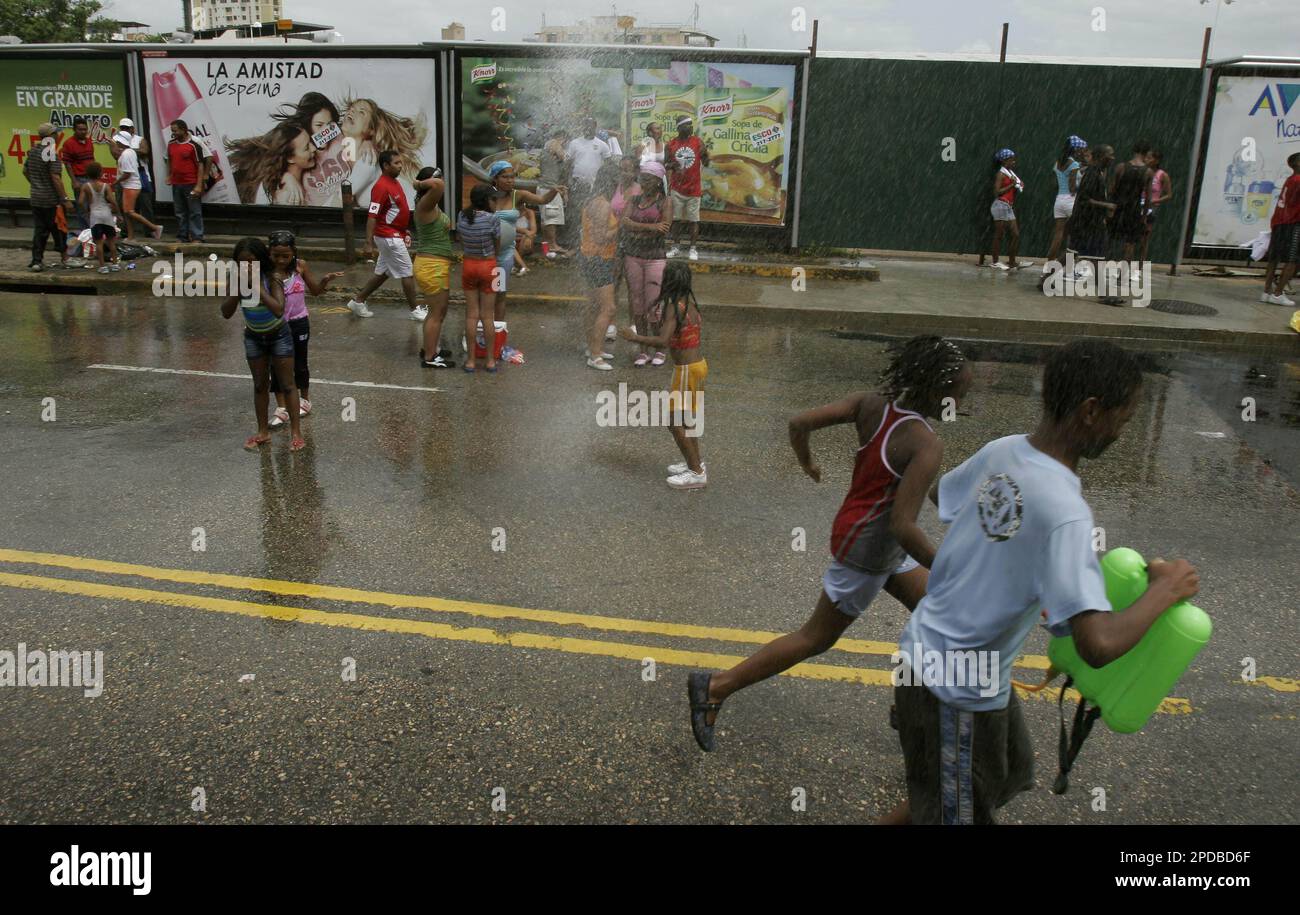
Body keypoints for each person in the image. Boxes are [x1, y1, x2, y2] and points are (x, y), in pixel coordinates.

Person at [881, 340, 1199, 825]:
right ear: (1092, 411)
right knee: (959, 807)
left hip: (958, 667)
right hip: (952, 686)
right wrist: (1167, 588)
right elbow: (1098, 644)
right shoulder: (1066, 513)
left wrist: (1029, 574)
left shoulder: (1003, 450)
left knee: (991, 780)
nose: (1122, 430)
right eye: (1124, 418)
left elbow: (946, 497)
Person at [688, 336, 972, 752]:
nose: (959, 405)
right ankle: (715, 686)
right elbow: (903, 525)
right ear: (935, 389)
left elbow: (798, 423)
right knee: (816, 637)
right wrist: (955, 567)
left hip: (864, 536)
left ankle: (909, 702)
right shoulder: (925, 443)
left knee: (939, 612)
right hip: (869, 553)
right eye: (957, 395)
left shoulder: (871, 403)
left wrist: (807, 461)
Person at [618, 261, 709, 489]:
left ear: (668, 281)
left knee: (674, 422)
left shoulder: (673, 307)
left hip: (687, 371)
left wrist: (633, 337)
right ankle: (695, 462)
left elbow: (663, 341)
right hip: (695, 367)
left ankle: (696, 472)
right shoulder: (688, 303)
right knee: (685, 420)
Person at [219, 237, 304, 453]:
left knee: (287, 384)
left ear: (261, 261)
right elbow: (226, 312)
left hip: (279, 335)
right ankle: (262, 432)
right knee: (259, 385)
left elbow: (278, 309)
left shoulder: (272, 277)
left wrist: (257, 287)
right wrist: (239, 288)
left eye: (251, 261)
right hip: (254, 337)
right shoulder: (235, 278)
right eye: (242, 262)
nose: (247, 266)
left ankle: (296, 433)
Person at [267, 230, 344, 430]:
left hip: (299, 322)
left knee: (299, 363)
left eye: (286, 256)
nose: (282, 260)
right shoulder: (266, 272)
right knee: (276, 365)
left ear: (294, 253)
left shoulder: (300, 267)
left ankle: (305, 401)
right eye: (277, 256)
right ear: (269, 253)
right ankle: (281, 407)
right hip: (276, 324)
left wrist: (325, 280)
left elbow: (316, 291)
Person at [345, 150, 423, 320]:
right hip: (388, 237)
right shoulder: (381, 187)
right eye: (396, 163)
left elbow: (396, 211)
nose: (400, 166)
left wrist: (404, 230)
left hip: (394, 234)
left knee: (383, 273)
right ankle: (415, 310)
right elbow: (372, 216)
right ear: (386, 166)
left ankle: (358, 301)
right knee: (407, 273)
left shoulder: (395, 182)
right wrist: (368, 242)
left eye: (401, 163)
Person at [486, 160, 563, 325]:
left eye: (512, 177)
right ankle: (478, 333)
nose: (510, 180)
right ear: (495, 179)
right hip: (487, 255)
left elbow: (541, 200)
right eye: (505, 177)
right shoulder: (487, 196)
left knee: (499, 295)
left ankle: (498, 332)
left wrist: (554, 191)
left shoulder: (518, 195)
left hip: (504, 257)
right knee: (485, 296)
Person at [621, 162, 673, 367]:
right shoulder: (633, 199)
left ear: (658, 182)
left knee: (654, 305)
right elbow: (624, 222)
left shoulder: (665, 202)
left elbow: (665, 228)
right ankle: (643, 350)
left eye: (648, 179)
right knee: (637, 305)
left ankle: (660, 348)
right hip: (633, 256)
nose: (643, 182)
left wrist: (637, 227)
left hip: (655, 258)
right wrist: (650, 226)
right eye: (642, 178)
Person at [411, 166, 456, 368]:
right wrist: (420, 183)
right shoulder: (425, 204)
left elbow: (438, 184)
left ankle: (432, 347)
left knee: (439, 310)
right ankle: (430, 357)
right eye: (438, 178)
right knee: (436, 312)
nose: (441, 181)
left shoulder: (430, 203)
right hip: (431, 267)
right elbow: (439, 184)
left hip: (435, 266)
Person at [456, 182, 502, 373]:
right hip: (488, 265)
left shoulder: (462, 216)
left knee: (471, 315)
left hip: (468, 265)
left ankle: (471, 361)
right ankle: (490, 360)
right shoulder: (492, 219)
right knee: (487, 316)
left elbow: (460, 238)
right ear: (486, 201)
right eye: (493, 199)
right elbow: (497, 243)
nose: (496, 203)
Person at [579, 162, 621, 370]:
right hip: (599, 259)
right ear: (612, 181)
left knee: (593, 306)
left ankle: (592, 347)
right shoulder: (603, 205)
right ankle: (595, 356)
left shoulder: (593, 201)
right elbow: (600, 236)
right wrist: (619, 226)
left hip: (589, 258)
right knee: (608, 307)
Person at [1067, 144, 1119, 304]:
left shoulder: (1097, 173)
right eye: (1110, 155)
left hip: (1086, 222)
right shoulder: (1092, 174)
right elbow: (1085, 199)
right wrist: (1106, 206)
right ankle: (1104, 295)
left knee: (1071, 253)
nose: (1113, 158)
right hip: (1087, 223)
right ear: (1101, 156)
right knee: (1096, 258)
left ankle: (1045, 280)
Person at [23, 123, 70, 272]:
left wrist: (36, 184)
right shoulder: (52, 154)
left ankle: (37, 261)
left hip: (36, 198)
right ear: (50, 136)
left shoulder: (33, 151)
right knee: (60, 228)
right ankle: (65, 258)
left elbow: (25, 171)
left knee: (40, 230)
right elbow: (56, 178)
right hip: (51, 200)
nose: (57, 136)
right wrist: (65, 198)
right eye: (55, 134)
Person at [1042, 136, 1088, 281]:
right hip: (1071, 201)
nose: (1082, 151)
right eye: (1081, 149)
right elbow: (1073, 187)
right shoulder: (1073, 164)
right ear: (1076, 149)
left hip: (1059, 201)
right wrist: (1084, 185)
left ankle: (1048, 268)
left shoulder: (1058, 163)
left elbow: (1056, 184)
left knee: (1058, 236)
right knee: (1073, 237)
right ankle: (1069, 271)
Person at [564, 117, 614, 251]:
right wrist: (566, 183)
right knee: (577, 214)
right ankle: (575, 246)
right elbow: (567, 165)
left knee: (594, 215)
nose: (588, 127)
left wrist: (606, 184)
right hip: (578, 185)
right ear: (582, 126)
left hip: (596, 188)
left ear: (595, 126)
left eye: (590, 125)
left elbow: (609, 166)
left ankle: (591, 243)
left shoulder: (602, 145)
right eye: (585, 125)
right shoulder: (575, 143)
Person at [665, 115, 709, 261]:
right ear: (679, 128)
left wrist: (706, 154)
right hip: (677, 188)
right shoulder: (671, 144)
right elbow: (666, 164)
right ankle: (676, 247)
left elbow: (707, 162)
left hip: (694, 189)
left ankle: (693, 249)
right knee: (676, 220)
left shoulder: (697, 142)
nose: (690, 128)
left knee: (693, 221)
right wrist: (673, 165)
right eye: (687, 125)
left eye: (691, 125)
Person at [1109, 140, 1154, 282]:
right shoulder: (1148, 172)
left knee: (1110, 239)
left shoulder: (1121, 167)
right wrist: (1144, 216)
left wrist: (1110, 208)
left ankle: (1101, 269)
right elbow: (1148, 198)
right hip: (1134, 209)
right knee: (1130, 243)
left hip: (1118, 207)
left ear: (1134, 150)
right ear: (1146, 153)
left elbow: (1112, 189)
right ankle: (1122, 275)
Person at [610, 154, 643, 341]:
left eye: (628, 169)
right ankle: (611, 323)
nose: (624, 173)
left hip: (633, 243)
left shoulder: (639, 191)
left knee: (633, 287)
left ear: (636, 171)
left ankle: (633, 324)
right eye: (621, 169)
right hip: (613, 243)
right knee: (613, 285)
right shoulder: (616, 188)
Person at [1261, 151, 1300, 307]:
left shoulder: (1291, 179)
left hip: (1280, 222)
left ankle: (1267, 291)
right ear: (1297, 164)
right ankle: (1278, 294)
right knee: (1292, 260)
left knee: (1274, 258)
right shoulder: (1298, 180)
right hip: (1293, 223)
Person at [110, 133, 163, 241]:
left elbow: (127, 173)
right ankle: (131, 236)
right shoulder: (129, 152)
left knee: (130, 212)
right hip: (130, 185)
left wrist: (116, 181)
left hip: (131, 185)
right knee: (127, 212)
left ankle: (154, 227)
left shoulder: (126, 154)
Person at [165, 119, 210, 243]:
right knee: (179, 211)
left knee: (194, 211)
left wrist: (198, 185)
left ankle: (197, 236)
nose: (174, 133)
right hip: (176, 183)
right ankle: (182, 235)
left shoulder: (193, 145)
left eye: (176, 130)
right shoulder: (171, 144)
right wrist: (169, 175)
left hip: (190, 183)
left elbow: (200, 164)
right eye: (172, 131)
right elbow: (169, 159)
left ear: (184, 130)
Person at [987, 148, 1030, 270]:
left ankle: (1012, 262)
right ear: (1005, 161)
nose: (1014, 162)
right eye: (1012, 160)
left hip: (1008, 207)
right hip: (1000, 205)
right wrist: (1012, 184)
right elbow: (997, 192)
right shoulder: (1001, 174)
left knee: (1015, 234)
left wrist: (1016, 184)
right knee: (999, 235)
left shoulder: (1010, 174)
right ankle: (995, 262)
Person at [78, 161, 121, 274]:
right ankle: (115, 264)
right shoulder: (106, 186)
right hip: (107, 215)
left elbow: (81, 202)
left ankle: (102, 266)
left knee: (99, 243)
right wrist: (118, 213)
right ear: (100, 173)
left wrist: (86, 211)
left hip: (95, 216)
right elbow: (113, 201)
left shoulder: (86, 186)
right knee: (111, 242)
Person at [114, 118, 155, 225]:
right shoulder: (116, 139)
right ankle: (126, 231)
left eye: (126, 128)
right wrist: (134, 151)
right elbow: (115, 154)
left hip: (141, 176)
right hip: (124, 178)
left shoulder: (139, 139)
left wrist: (128, 150)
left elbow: (144, 150)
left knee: (145, 205)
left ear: (132, 129)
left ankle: (150, 230)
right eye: (122, 128)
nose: (124, 130)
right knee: (124, 206)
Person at [59, 116, 97, 232]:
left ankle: (94, 229)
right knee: (82, 207)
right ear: (74, 130)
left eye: (85, 129)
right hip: (79, 179)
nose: (83, 131)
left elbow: (92, 158)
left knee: (93, 205)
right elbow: (68, 164)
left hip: (91, 178)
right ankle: (86, 231)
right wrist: (74, 180)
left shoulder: (89, 141)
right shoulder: (68, 143)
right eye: (80, 129)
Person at [538, 128, 571, 258]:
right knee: (551, 218)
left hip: (547, 187)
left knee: (546, 219)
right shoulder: (553, 142)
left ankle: (546, 247)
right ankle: (553, 245)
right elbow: (564, 157)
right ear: (562, 137)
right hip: (549, 188)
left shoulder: (547, 146)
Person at [1139, 149, 1173, 269]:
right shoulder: (1141, 172)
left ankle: (1140, 265)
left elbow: (1169, 195)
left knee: (1144, 238)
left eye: (1150, 158)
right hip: (1136, 206)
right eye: (1146, 157)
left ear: (1157, 160)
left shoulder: (1162, 175)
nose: (1146, 160)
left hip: (1150, 209)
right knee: (1131, 237)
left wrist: (1154, 201)